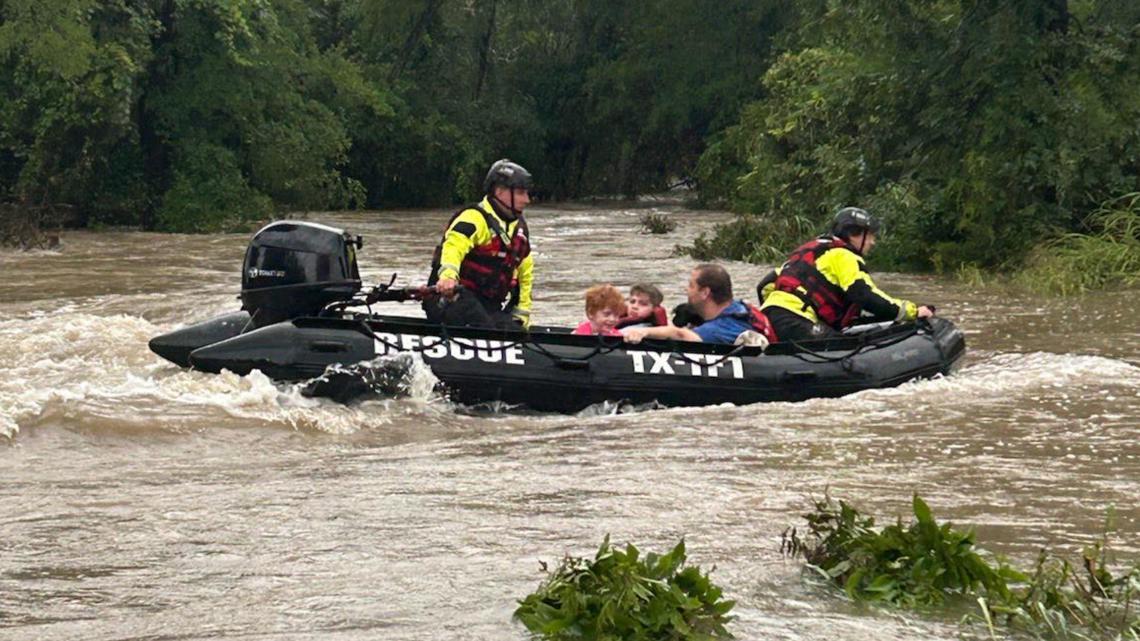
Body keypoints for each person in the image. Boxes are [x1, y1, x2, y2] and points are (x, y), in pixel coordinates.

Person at [760, 206, 935, 343]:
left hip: (768, 319)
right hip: (795, 321)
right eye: (870, 236)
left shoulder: (810, 251)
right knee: (844, 347)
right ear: (852, 234)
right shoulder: (844, 256)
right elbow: (865, 295)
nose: (872, 242)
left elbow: (765, 284)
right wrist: (913, 312)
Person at [424, 159, 534, 330]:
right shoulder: (473, 218)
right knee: (483, 325)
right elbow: (453, 247)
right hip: (451, 299)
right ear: (499, 191)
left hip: (488, 305)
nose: (527, 199)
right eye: (520, 193)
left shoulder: (520, 230)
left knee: (513, 331)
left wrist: (521, 315)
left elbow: (525, 276)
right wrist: (448, 276)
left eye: (526, 193)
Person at [623, 264, 766, 345]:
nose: (687, 290)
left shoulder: (724, 326)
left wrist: (643, 332)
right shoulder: (738, 308)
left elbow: (681, 335)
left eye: (691, 286)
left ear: (705, 293)